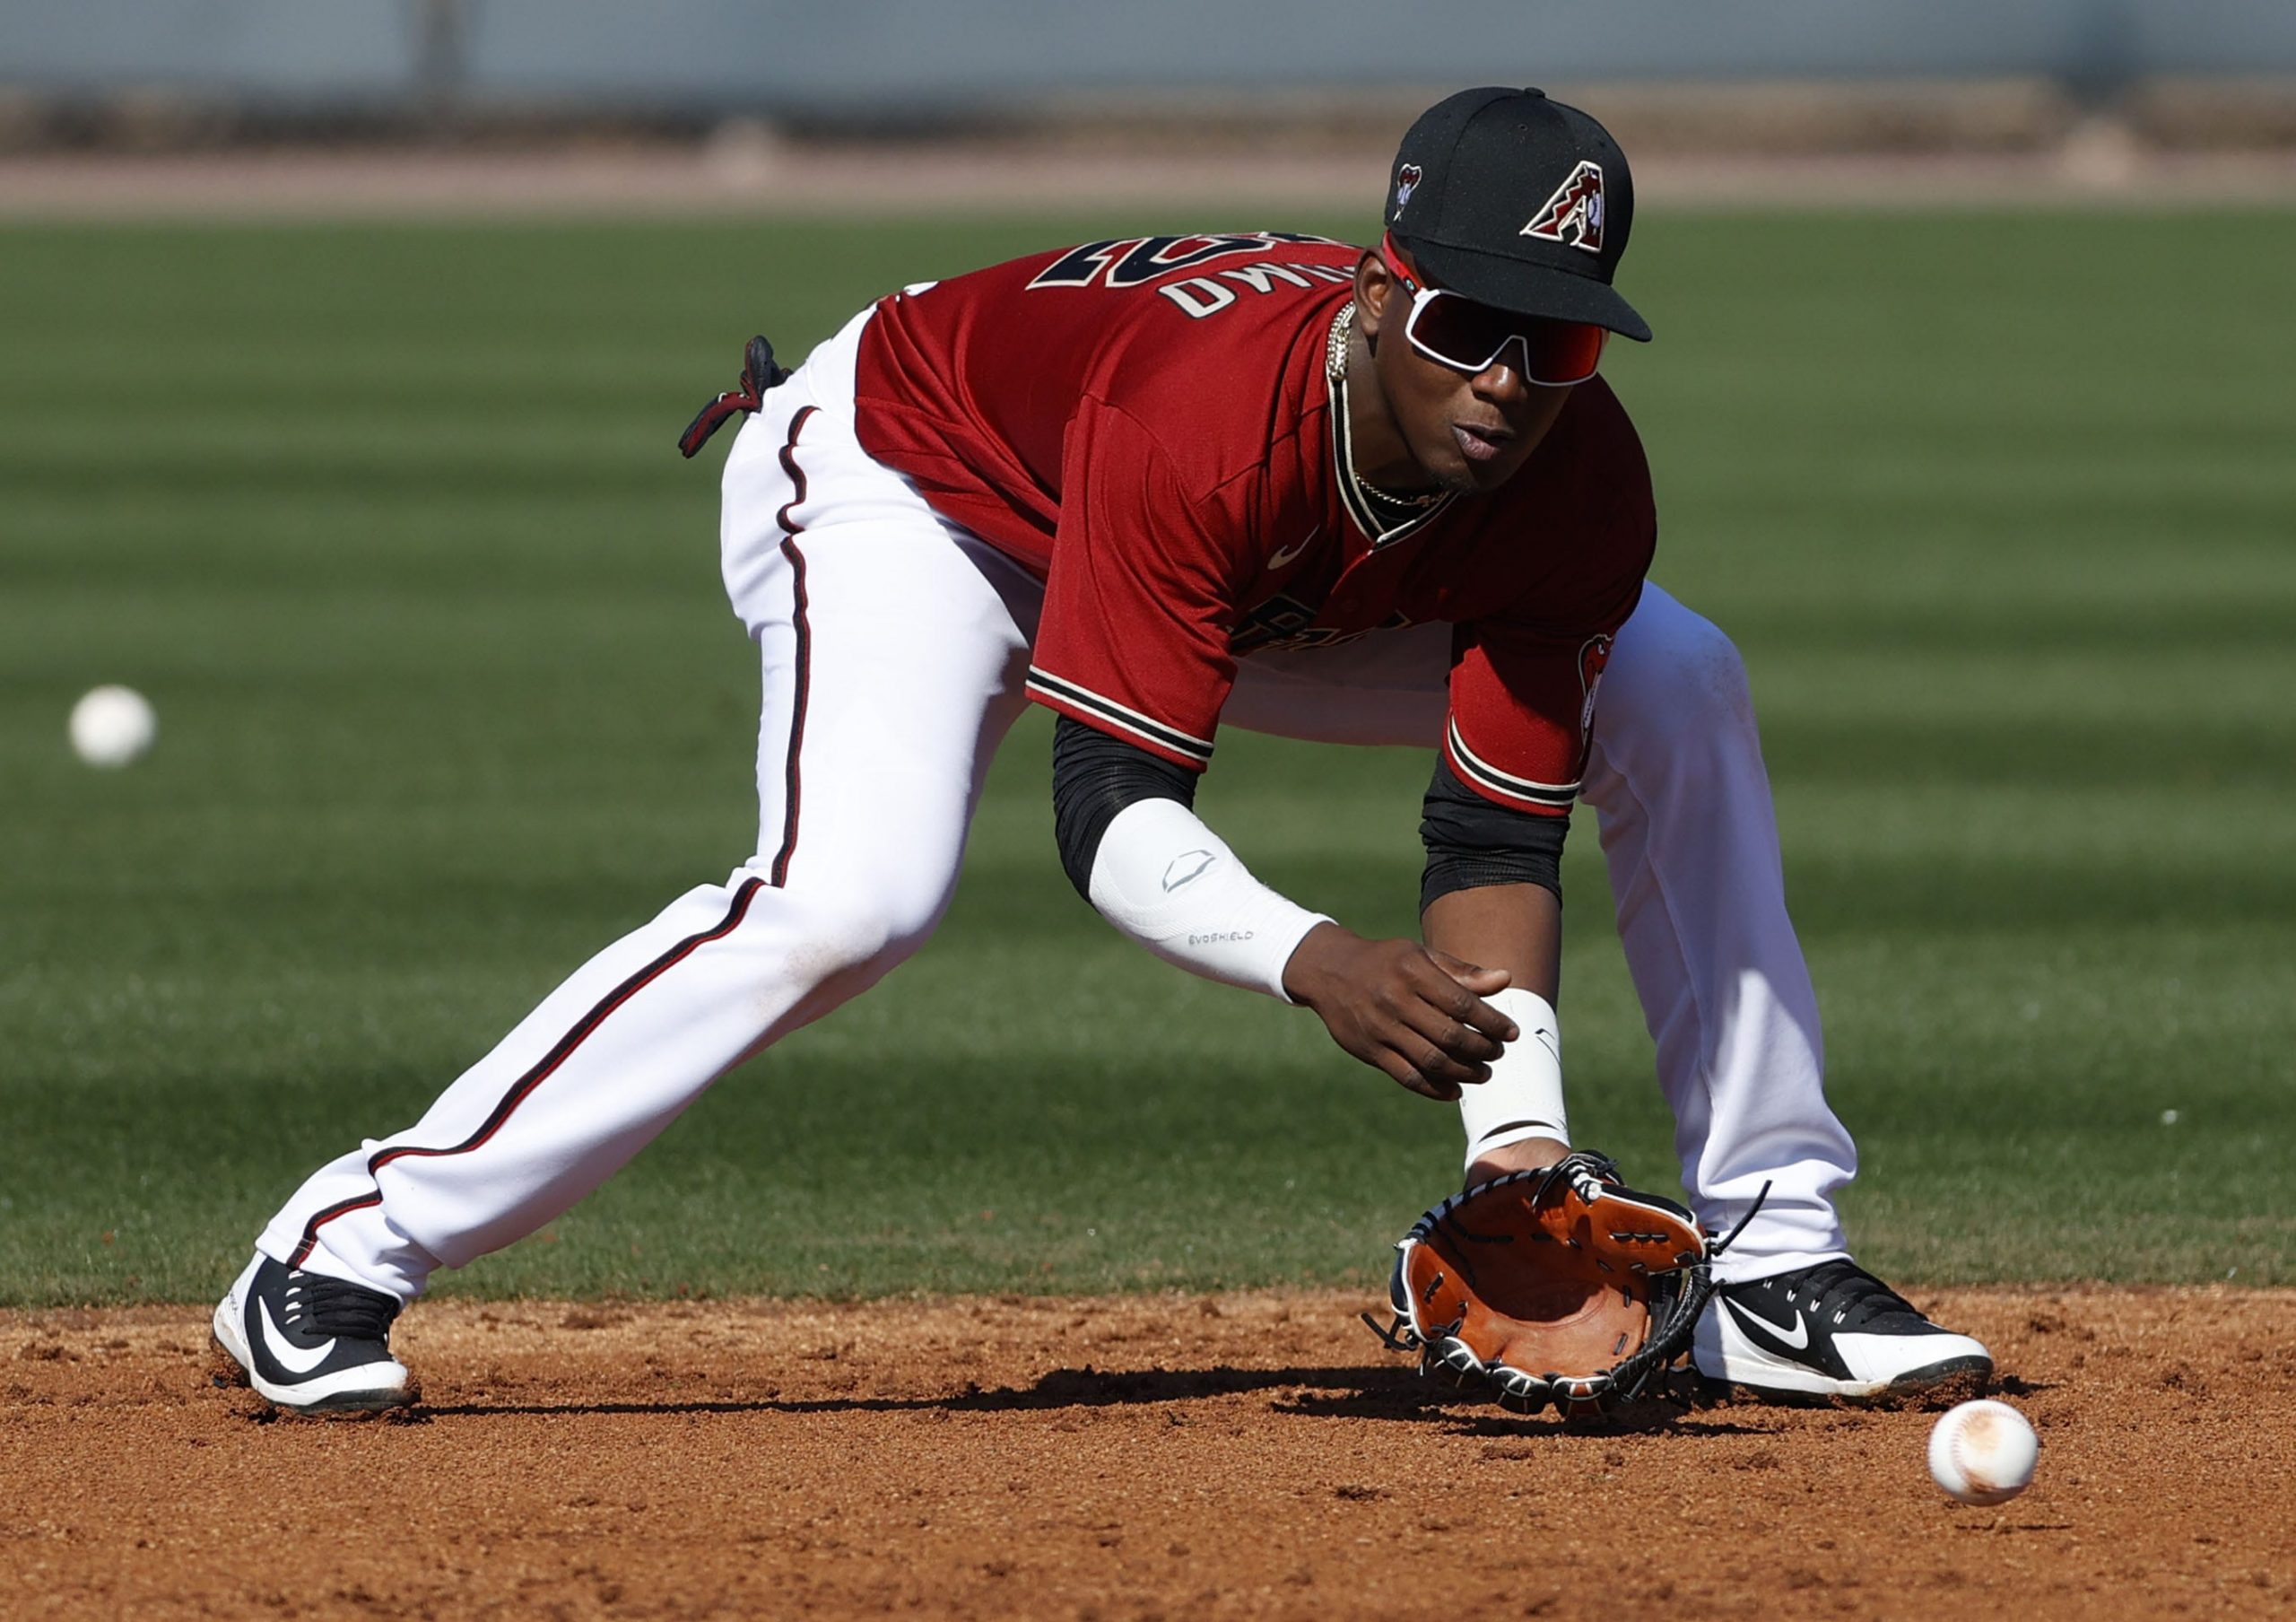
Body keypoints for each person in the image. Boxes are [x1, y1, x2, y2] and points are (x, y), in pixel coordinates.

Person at [212, 86, 1991, 1415]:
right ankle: (333, 1254)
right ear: (1382, 293)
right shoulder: (1203, 417)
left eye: (1560, 338)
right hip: (925, 491)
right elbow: (1109, 808)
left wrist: (1513, 1138)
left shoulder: (1574, 470)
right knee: (849, 898)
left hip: (1261, 567)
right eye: (1468, 324)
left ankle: (1775, 1260)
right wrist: (1316, 960)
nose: (1509, 378)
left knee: (1675, 678)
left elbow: (1493, 831)